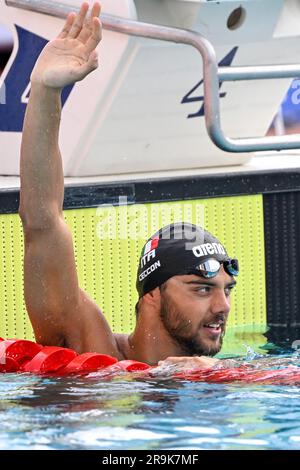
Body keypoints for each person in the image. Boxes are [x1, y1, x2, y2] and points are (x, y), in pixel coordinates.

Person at [19, 2, 238, 368]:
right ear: (153, 294)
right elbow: (41, 220)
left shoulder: (218, 376)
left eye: (226, 291)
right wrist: (44, 90)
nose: (223, 308)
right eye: (202, 289)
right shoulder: (90, 347)